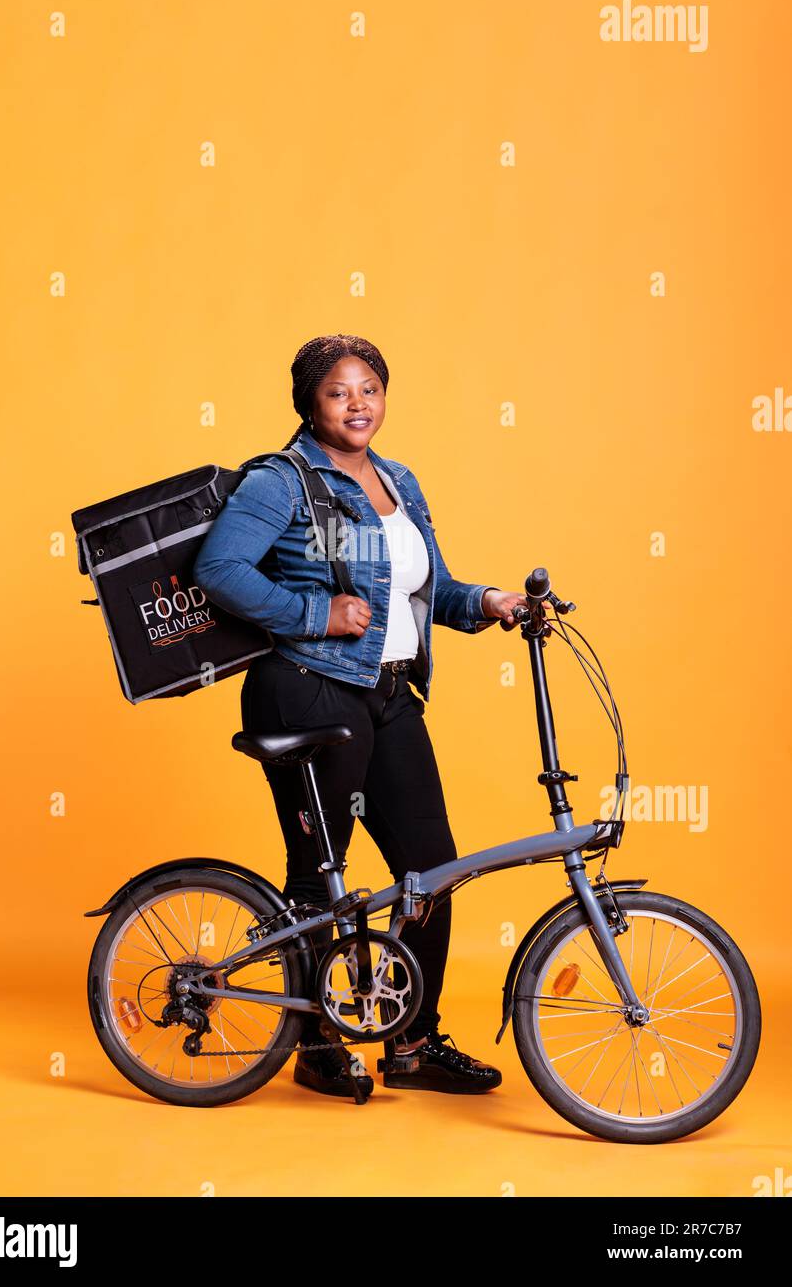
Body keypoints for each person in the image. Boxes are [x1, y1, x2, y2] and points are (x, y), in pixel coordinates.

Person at [192, 334, 529, 1099]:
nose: (358, 404)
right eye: (341, 391)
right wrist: (315, 611)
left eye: (370, 389)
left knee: (432, 870)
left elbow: (425, 587)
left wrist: (488, 602)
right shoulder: (283, 481)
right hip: (309, 686)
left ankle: (411, 1039)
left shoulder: (397, 480)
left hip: (386, 690)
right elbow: (219, 569)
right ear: (311, 401)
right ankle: (313, 1043)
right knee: (322, 874)